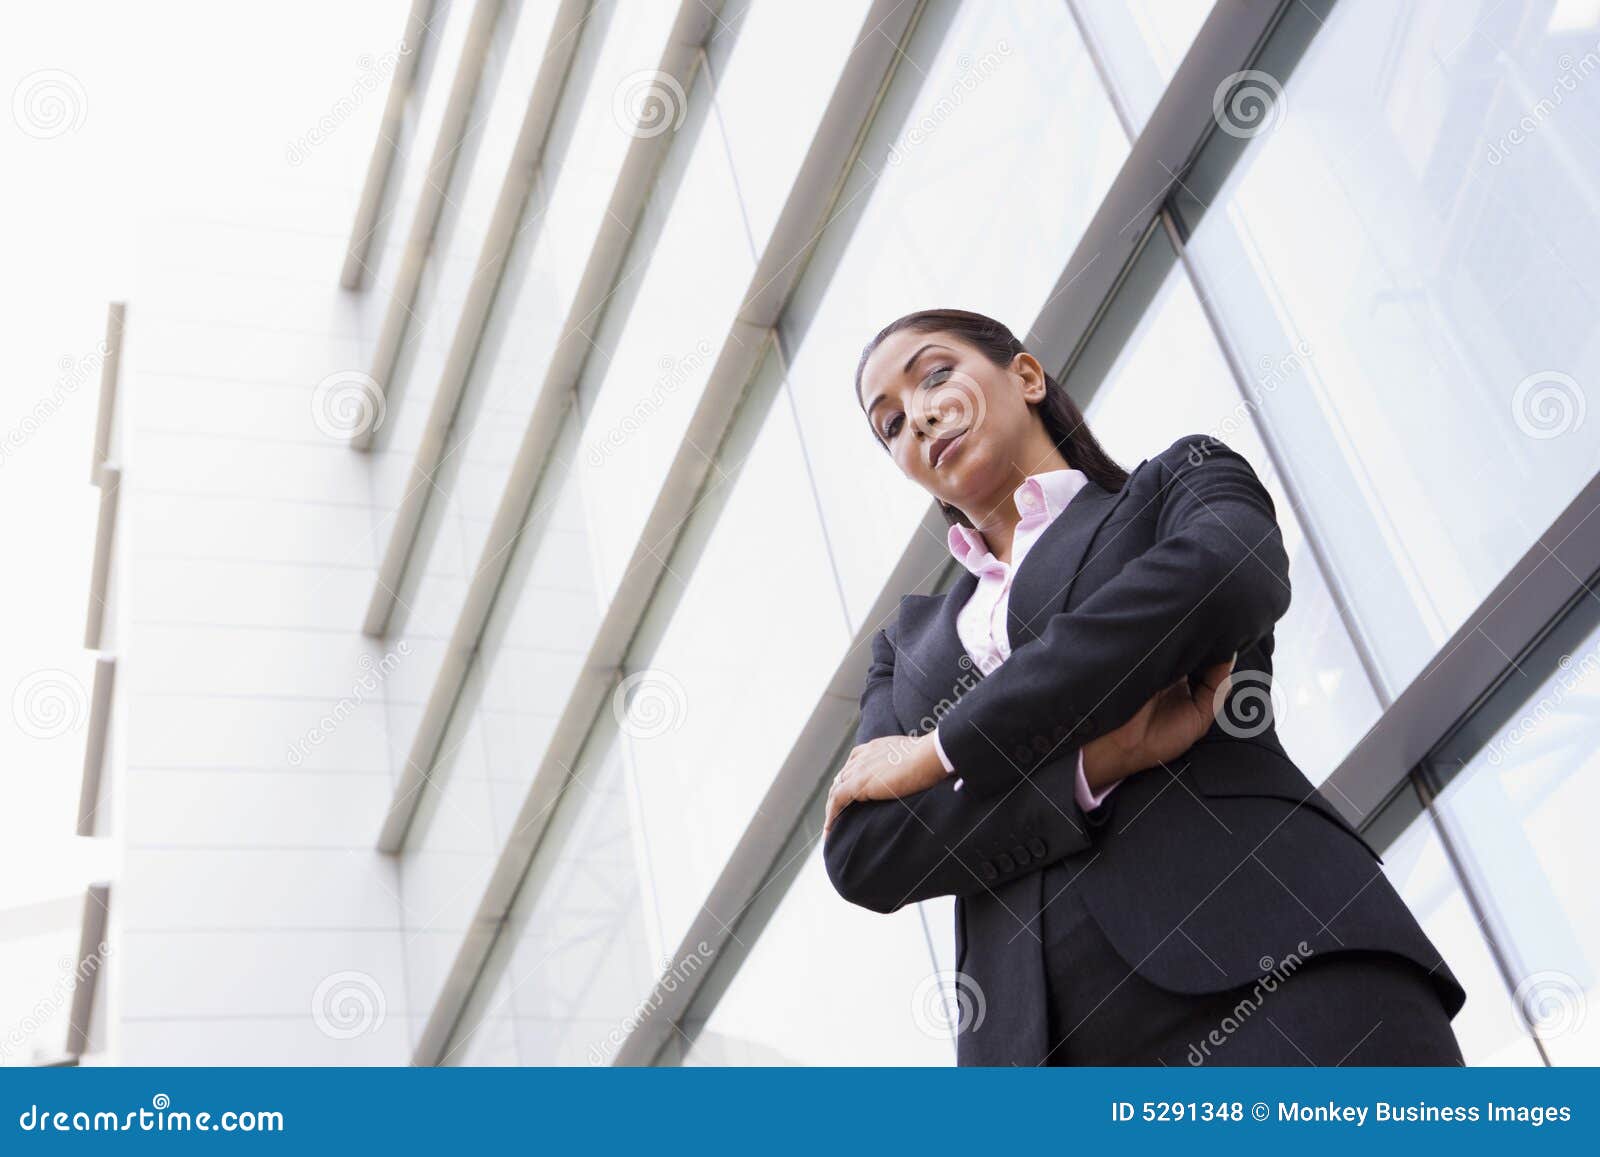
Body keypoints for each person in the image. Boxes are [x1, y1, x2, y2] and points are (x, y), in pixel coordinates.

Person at [823, 308, 1465, 1066]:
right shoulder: (906, 643)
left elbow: (1226, 575)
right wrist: (1090, 767)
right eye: (890, 423)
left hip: (1277, 963)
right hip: (1043, 1056)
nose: (920, 415)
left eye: (936, 375)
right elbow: (866, 848)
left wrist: (944, 748)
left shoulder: (1175, 488)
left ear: (1026, 376)